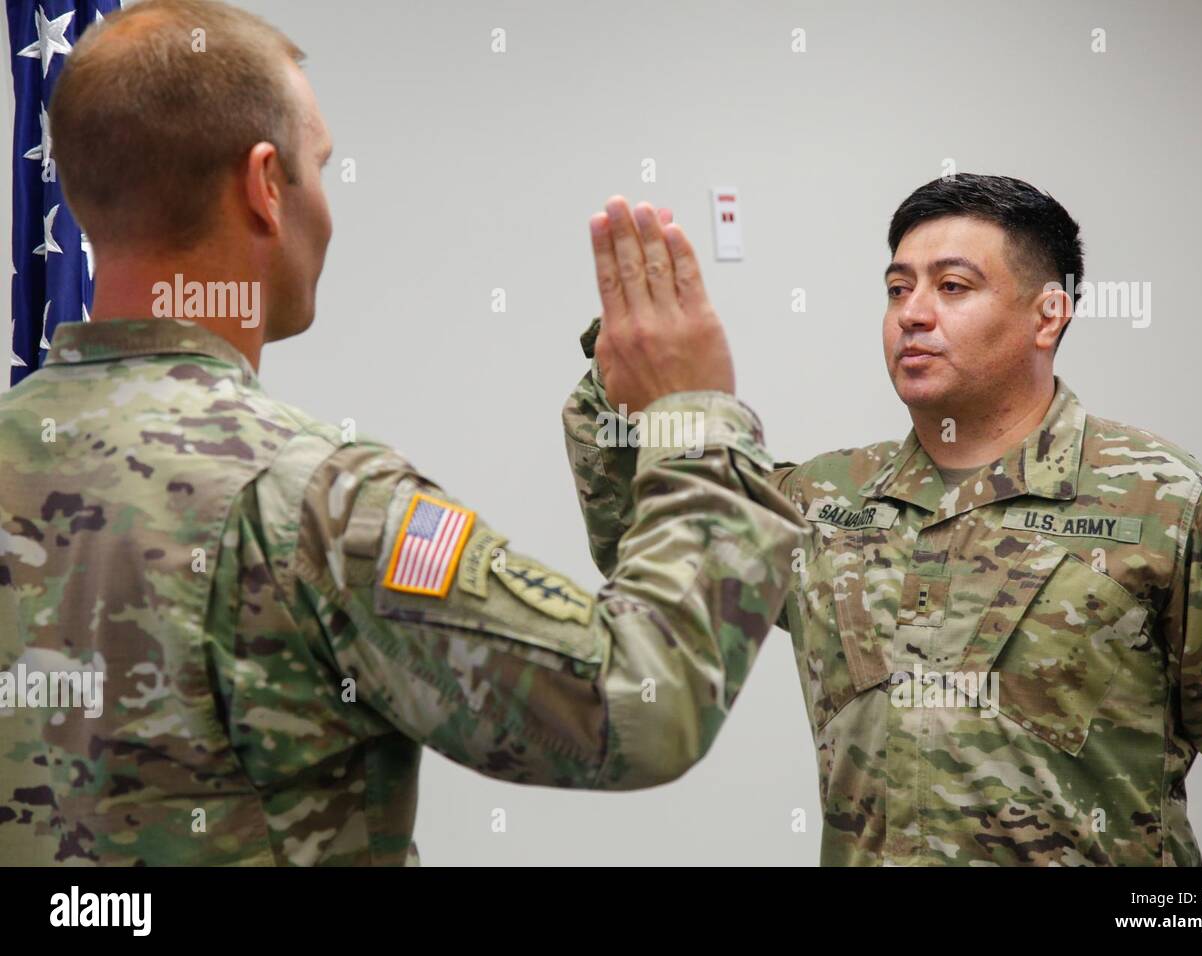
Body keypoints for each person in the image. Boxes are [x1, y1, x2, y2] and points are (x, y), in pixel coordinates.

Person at [0, 0, 806, 865]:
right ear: (266, 185)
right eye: (322, 166)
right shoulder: (314, 502)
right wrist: (694, 417)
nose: (332, 210)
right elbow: (640, 703)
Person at [564, 173, 1202, 866]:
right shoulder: (824, 501)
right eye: (897, 288)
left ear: (1049, 314)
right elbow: (651, 538)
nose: (913, 313)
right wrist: (624, 381)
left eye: (953, 287)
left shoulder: (1165, 502)